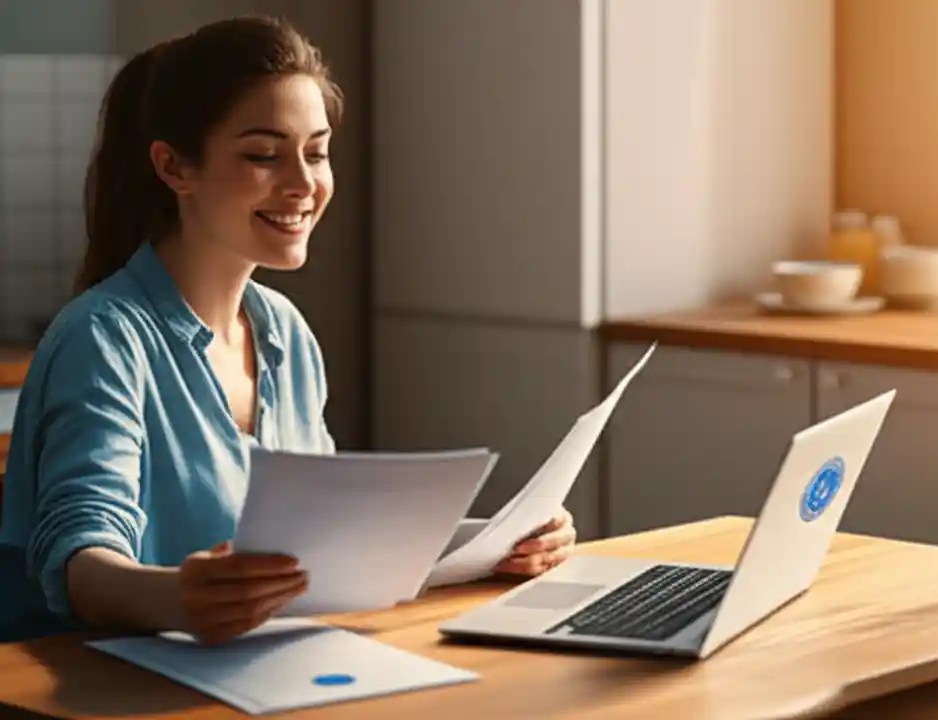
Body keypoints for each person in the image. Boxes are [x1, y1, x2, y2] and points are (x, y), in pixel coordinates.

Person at [0, 16, 575, 644]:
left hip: (254, 671)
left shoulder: (286, 333)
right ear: (173, 167)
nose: (303, 184)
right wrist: (178, 599)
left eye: (317, 152)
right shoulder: (103, 338)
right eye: (264, 156)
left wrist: (498, 540)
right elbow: (79, 559)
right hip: (105, 690)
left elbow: (324, 539)